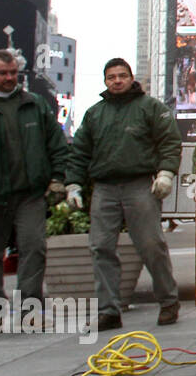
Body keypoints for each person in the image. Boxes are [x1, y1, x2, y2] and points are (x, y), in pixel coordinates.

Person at [66, 58, 181, 331]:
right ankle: (108, 310)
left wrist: (166, 173)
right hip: (104, 187)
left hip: (140, 184)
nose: (116, 81)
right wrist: (73, 184)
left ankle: (168, 301)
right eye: (111, 77)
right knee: (101, 247)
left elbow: (170, 141)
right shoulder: (95, 114)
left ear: (131, 78)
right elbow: (80, 151)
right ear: (105, 81)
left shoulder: (150, 108)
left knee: (151, 245)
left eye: (121, 76)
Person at [0, 50, 70, 322]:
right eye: (2, 73)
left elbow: (56, 144)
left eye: (13, 72)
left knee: (34, 248)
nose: (9, 78)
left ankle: (30, 309)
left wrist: (58, 178)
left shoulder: (35, 104)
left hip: (30, 194)